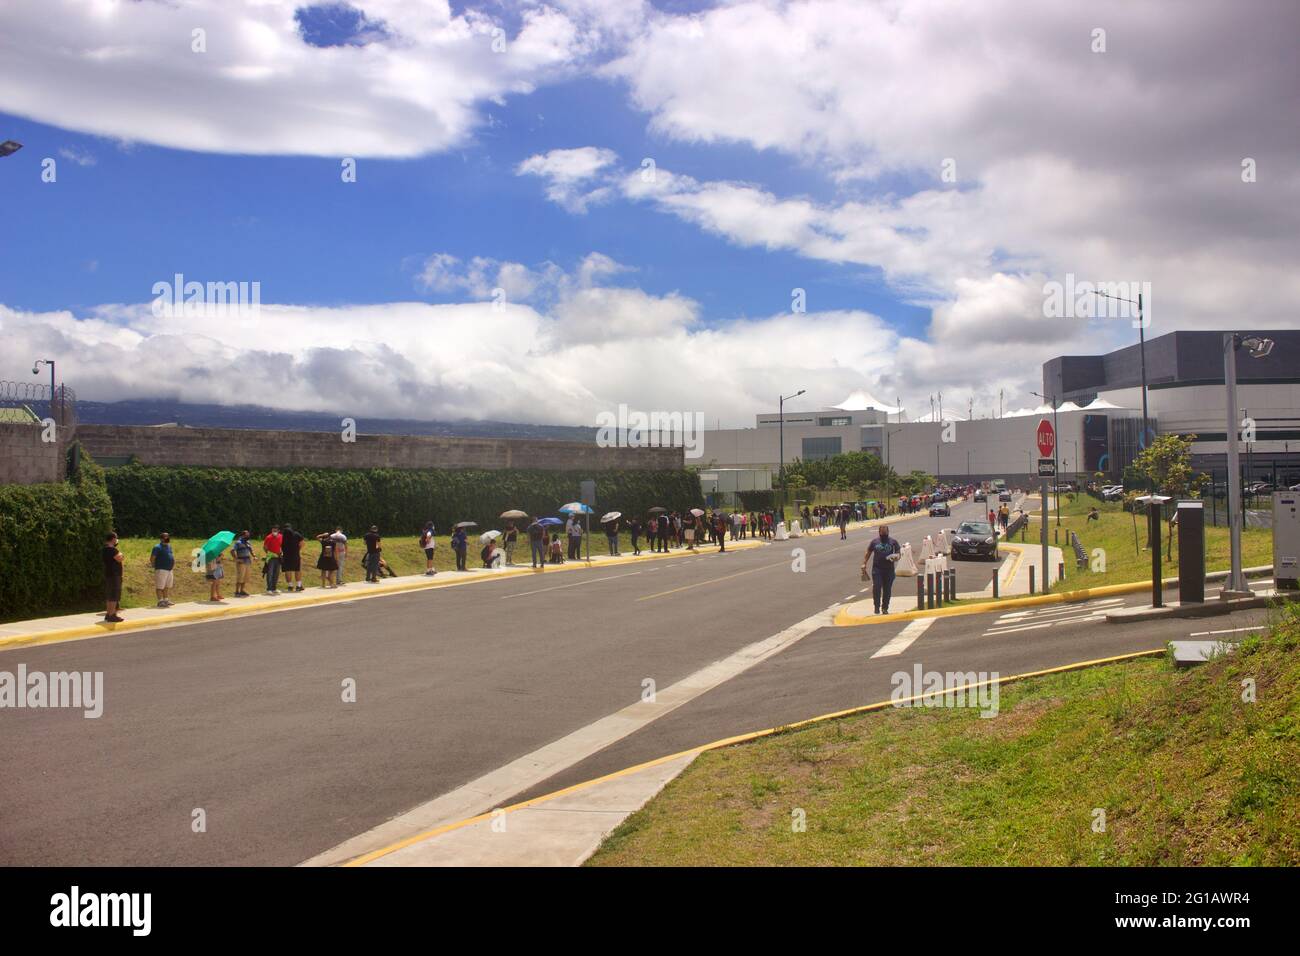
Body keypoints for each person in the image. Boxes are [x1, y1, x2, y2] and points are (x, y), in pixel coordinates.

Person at [863, 524, 901, 615]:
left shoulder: (893, 542)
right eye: (882, 532)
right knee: (877, 587)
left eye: (885, 532)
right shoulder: (874, 542)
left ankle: (885, 608)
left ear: (888, 532)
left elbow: (898, 553)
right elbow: (868, 552)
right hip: (877, 569)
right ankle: (876, 606)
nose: (884, 533)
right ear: (879, 532)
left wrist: (895, 557)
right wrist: (864, 563)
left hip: (889, 570)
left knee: (887, 589)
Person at [103, 532, 125, 622]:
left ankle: (108, 613)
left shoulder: (104, 549)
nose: (117, 540)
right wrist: (121, 553)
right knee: (114, 595)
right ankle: (112, 614)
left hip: (108, 574)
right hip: (115, 575)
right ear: (113, 539)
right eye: (116, 538)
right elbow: (120, 558)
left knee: (109, 594)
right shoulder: (113, 550)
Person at [149, 532, 175, 607]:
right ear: (161, 539)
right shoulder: (157, 547)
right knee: (160, 586)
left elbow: (171, 555)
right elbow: (152, 558)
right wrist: (155, 567)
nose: (167, 538)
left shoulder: (169, 546)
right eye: (165, 537)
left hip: (169, 569)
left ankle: (166, 600)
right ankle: (160, 601)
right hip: (161, 569)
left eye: (168, 536)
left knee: (167, 586)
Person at [231, 530, 255, 597]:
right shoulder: (238, 542)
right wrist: (236, 559)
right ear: (243, 535)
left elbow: (251, 550)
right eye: (247, 535)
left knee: (246, 577)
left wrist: (254, 556)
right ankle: (236, 591)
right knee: (240, 577)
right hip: (241, 561)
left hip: (248, 561)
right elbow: (232, 550)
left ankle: (242, 590)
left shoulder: (248, 542)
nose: (248, 536)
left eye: (248, 535)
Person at [280, 523, 303, 592]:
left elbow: (279, 544)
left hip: (286, 555)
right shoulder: (296, 534)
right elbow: (302, 543)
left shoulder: (282, 536)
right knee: (297, 570)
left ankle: (290, 586)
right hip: (295, 555)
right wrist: (298, 549)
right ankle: (299, 586)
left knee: (288, 570)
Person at [262, 524, 283, 594]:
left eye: (276, 530)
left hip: (278, 557)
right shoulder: (268, 537)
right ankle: (269, 588)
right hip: (271, 557)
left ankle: (274, 588)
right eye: (273, 530)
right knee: (270, 573)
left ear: (278, 531)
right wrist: (268, 553)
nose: (274, 531)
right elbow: (265, 547)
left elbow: (281, 545)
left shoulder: (281, 536)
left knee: (276, 573)